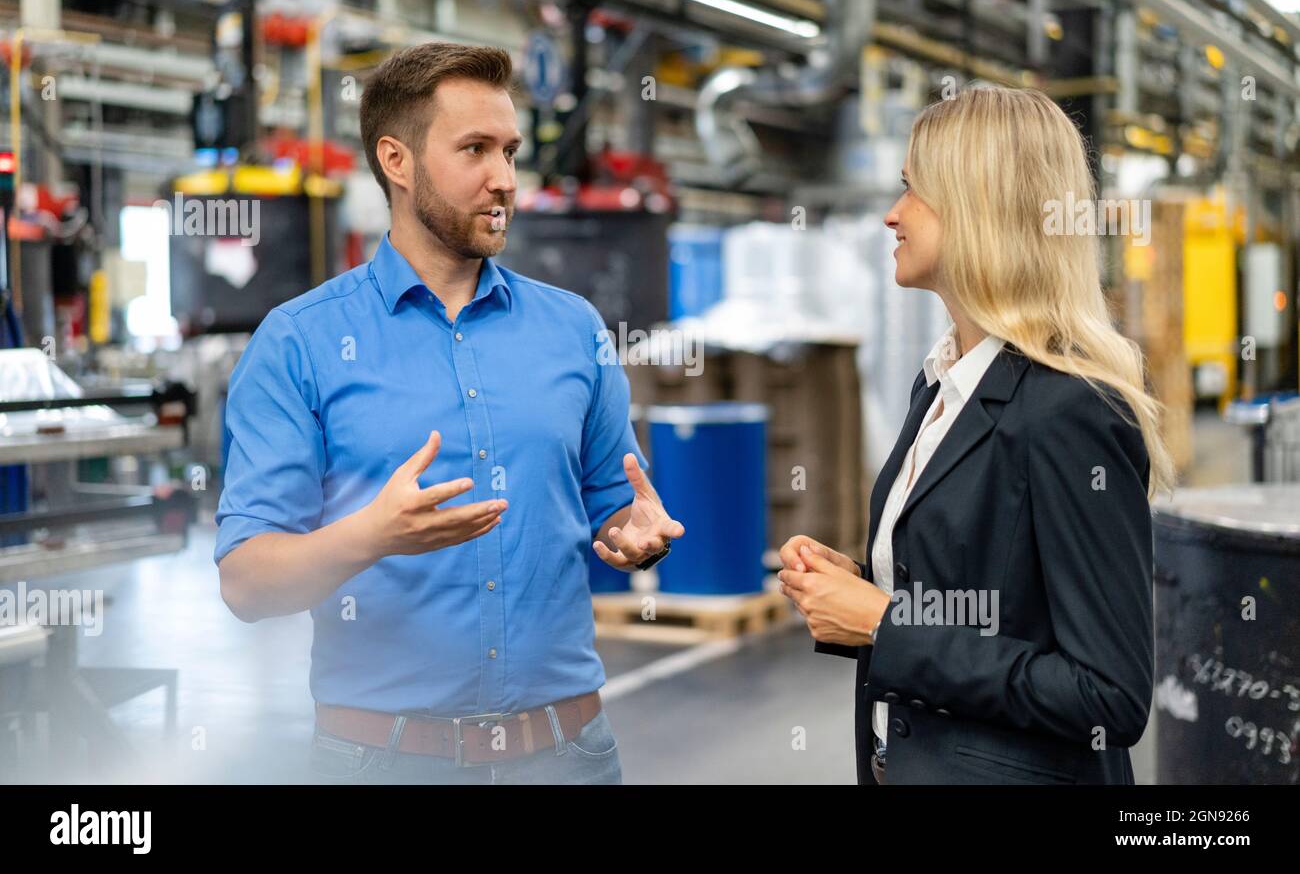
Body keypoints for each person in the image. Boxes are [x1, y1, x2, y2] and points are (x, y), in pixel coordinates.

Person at [215, 42, 684, 784]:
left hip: (566, 755)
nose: (503, 179)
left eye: (510, 151)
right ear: (396, 161)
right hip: (381, 762)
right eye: (474, 150)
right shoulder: (298, 343)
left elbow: (614, 508)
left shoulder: (573, 329)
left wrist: (636, 532)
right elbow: (245, 583)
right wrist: (373, 536)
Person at [778, 84, 1171, 785]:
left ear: (978, 208)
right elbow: (990, 597)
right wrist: (859, 588)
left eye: (912, 192)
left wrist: (880, 624)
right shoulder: (940, 385)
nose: (892, 216)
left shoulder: (1068, 410)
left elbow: (1108, 696)